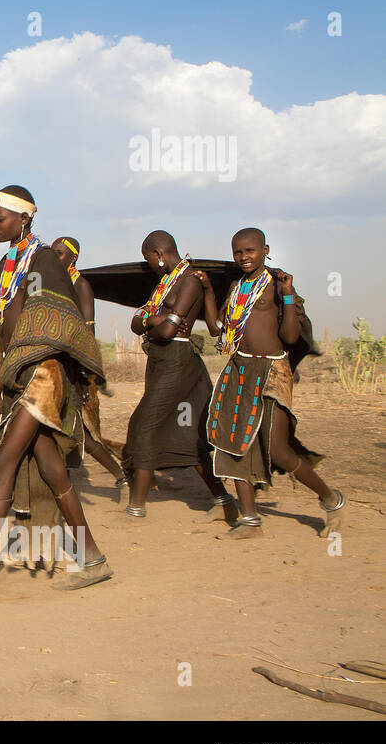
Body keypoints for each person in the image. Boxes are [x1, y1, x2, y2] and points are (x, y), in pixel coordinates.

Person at [0, 187, 112, 601]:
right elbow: (6, 330)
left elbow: (57, 324)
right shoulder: (6, 264)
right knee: (52, 469)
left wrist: (14, 376)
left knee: (2, 466)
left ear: (24, 219)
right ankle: (94, 560)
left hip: (44, 375)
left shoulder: (44, 260)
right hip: (19, 374)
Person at [196, 229, 344, 539]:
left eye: (250, 250)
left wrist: (288, 295)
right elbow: (216, 330)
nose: (243, 256)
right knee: (234, 442)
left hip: (272, 370)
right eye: (237, 252)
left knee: (277, 449)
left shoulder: (277, 286)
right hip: (239, 368)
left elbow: (290, 337)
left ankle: (331, 499)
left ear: (265, 249)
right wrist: (208, 291)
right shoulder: (237, 288)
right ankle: (250, 521)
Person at [119, 231, 238, 521]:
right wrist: (152, 320)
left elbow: (168, 331)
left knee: (143, 425)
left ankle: (136, 507)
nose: (147, 264)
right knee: (185, 435)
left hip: (177, 361)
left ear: (159, 254)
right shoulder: (166, 283)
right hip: (160, 361)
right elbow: (137, 322)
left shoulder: (189, 282)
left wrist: (151, 320)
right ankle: (223, 497)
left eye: (148, 258)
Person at [49, 237, 127, 487]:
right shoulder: (52, 286)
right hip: (56, 364)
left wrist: (84, 371)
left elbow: (87, 333)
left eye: (59, 254)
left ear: (74, 258)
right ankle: (119, 476)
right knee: (70, 429)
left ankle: (120, 476)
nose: (54, 258)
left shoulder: (80, 285)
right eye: (52, 254)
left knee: (83, 432)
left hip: (75, 366)